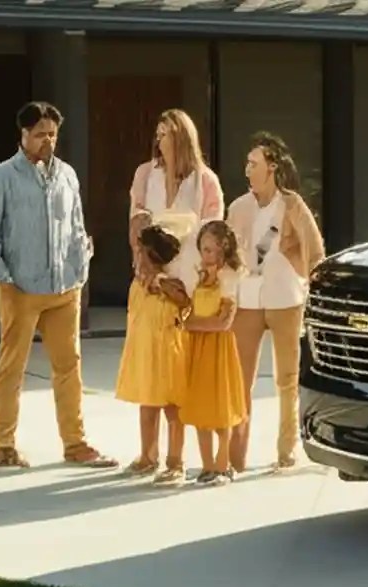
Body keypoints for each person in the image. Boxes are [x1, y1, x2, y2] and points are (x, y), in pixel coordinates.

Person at [0, 100, 117, 469]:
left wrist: (81, 266)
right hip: (19, 289)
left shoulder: (67, 174)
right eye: (40, 135)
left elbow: (78, 224)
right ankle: (4, 445)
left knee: (69, 368)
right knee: (12, 367)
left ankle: (75, 443)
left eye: (52, 134)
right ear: (23, 135)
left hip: (65, 288)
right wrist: (3, 278)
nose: (47, 141)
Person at [122, 109, 224, 477]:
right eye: (157, 131)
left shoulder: (205, 182)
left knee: (174, 378)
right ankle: (147, 454)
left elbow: (213, 234)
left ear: (182, 138)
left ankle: (175, 461)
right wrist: (148, 269)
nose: (159, 139)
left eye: (166, 133)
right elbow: (135, 224)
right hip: (147, 283)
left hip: (184, 288)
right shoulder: (144, 174)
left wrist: (189, 282)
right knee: (147, 373)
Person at [225, 132, 325, 473]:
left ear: (272, 167)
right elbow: (227, 255)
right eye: (247, 164)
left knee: (287, 378)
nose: (248, 170)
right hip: (248, 299)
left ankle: (287, 450)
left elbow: (315, 249)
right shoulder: (238, 207)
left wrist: (315, 288)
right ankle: (235, 455)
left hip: (286, 296)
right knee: (240, 379)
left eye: (255, 164)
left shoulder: (292, 204)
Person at [114, 224, 192, 485]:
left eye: (140, 252)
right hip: (144, 351)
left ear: (151, 255)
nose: (137, 257)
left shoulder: (170, 284)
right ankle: (148, 456)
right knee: (147, 405)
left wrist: (160, 282)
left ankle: (175, 461)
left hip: (168, 352)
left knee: (172, 408)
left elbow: (184, 301)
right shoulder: (138, 282)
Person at [180, 220, 248, 486]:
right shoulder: (198, 275)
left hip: (218, 348)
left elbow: (224, 322)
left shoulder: (229, 277)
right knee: (199, 405)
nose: (206, 254)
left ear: (223, 249)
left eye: (211, 249)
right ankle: (206, 465)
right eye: (203, 249)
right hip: (197, 347)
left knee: (220, 405)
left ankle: (223, 464)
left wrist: (189, 324)